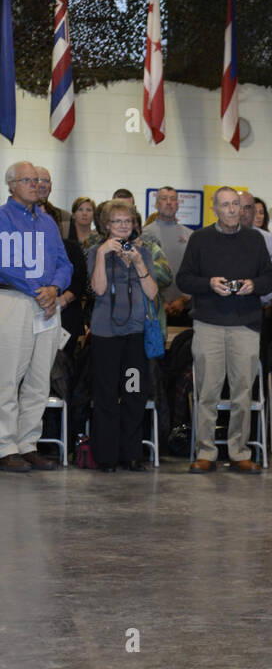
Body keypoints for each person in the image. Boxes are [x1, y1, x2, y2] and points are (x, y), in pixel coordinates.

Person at [176, 186, 272, 474]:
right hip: (208, 324)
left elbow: (269, 279)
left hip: (245, 325)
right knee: (207, 392)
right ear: (214, 208)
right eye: (226, 205)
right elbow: (183, 279)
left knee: (242, 393)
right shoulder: (200, 239)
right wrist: (208, 283)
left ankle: (238, 452)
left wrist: (253, 285)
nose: (233, 210)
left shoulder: (255, 240)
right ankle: (206, 452)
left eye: (237, 205)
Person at [0, 161, 73, 472]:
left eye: (38, 179)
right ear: (11, 185)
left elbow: (65, 263)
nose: (35, 184)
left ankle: (28, 443)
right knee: (7, 377)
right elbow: (4, 263)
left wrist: (54, 288)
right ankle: (5, 445)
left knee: (39, 378)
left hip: (47, 306)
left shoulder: (47, 222)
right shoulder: (2, 218)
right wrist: (37, 289)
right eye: (27, 180)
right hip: (14, 300)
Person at [85, 199, 159, 471]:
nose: (122, 226)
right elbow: (99, 290)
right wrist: (104, 255)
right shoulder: (95, 251)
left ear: (134, 225)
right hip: (106, 334)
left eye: (127, 221)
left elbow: (152, 293)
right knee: (105, 394)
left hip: (134, 334)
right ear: (106, 226)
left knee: (133, 391)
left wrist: (139, 263)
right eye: (117, 221)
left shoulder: (145, 252)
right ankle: (105, 456)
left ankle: (131, 453)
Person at [238, 190, 272, 363]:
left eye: (249, 208)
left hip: (257, 311)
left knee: (256, 361)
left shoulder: (269, 240)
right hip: (225, 312)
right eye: (240, 207)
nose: (244, 212)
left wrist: (265, 301)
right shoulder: (215, 236)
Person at [139, 186, 193, 326]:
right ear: (157, 204)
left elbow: (195, 270)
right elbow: (140, 270)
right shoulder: (144, 235)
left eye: (173, 199)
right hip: (153, 307)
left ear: (178, 204)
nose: (169, 202)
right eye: (164, 198)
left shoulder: (190, 235)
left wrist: (183, 299)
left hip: (184, 307)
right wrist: (160, 301)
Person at [36, 167, 74, 240]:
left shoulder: (65, 218)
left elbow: (71, 249)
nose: (42, 185)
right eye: (38, 180)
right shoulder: (15, 216)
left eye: (46, 181)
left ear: (50, 186)